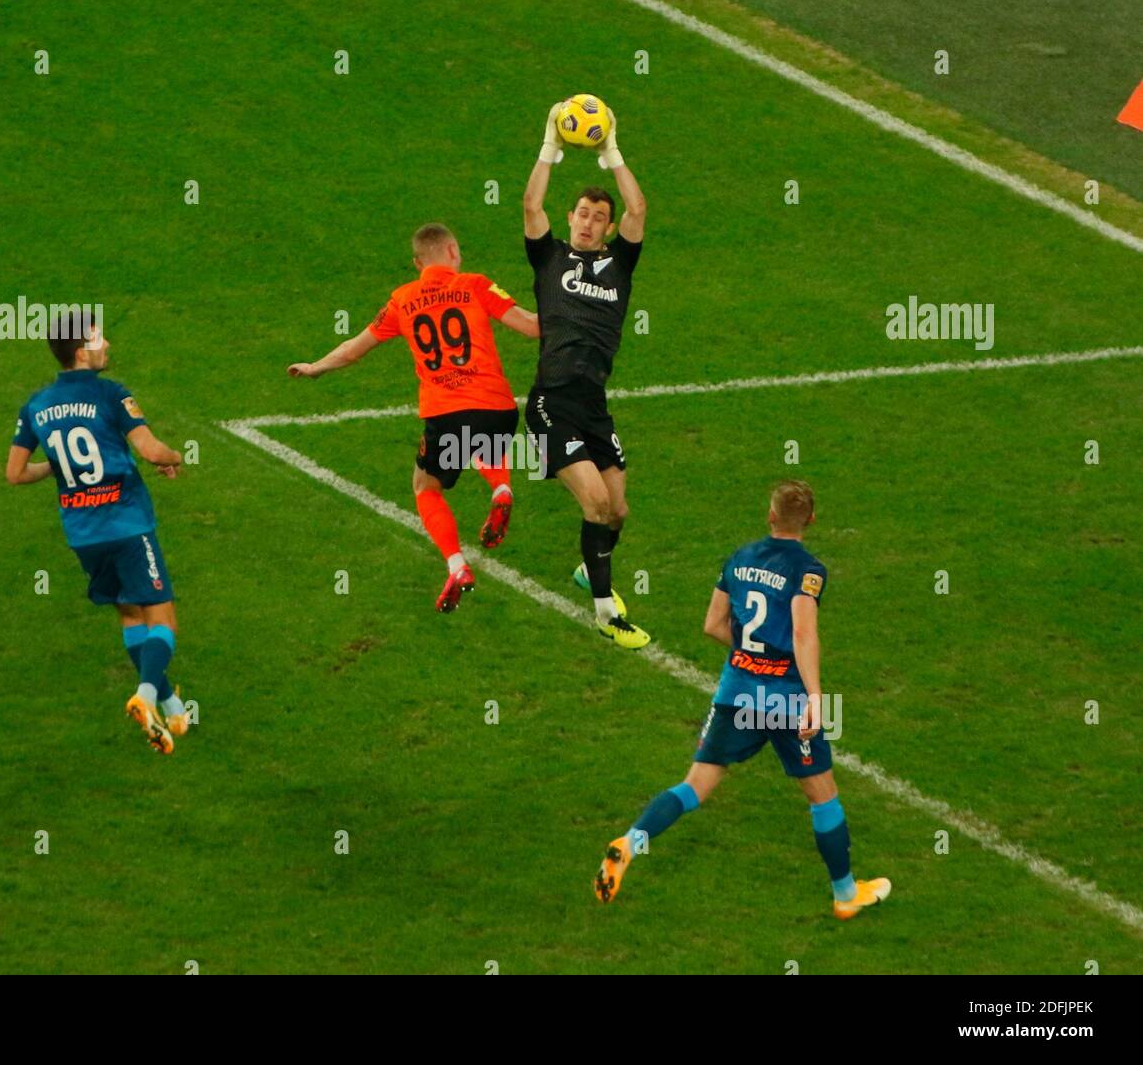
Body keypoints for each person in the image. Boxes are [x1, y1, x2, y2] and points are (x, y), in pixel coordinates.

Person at [594, 481, 892, 919]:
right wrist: (814, 696)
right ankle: (846, 894)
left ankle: (631, 842)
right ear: (810, 520)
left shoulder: (739, 558)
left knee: (695, 785)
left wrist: (750, 655)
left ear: (770, 516)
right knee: (823, 796)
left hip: (736, 689)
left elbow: (713, 624)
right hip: (786, 698)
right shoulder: (808, 570)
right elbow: (804, 633)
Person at [288, 223, 539, 611]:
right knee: (481, 442)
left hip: (446, 412)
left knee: (425, 486)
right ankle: (501, 489)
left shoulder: (403, 299)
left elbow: (356, 348)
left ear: (417, 262)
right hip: (497, 407)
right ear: (453, 250)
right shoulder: (475, 284)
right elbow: (531, 327)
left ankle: (456, 566)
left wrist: (316, 367)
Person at [7, 314, 187, 753]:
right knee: (161, 616)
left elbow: (15, 473)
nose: (107, 343)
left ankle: (170, 705)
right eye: (98, 338)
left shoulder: (35, 405)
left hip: (83, 533)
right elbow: (148, 449)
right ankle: (145, 696)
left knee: (129, 614)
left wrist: (60, 465)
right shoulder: (110, 393)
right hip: (127, 525)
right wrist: (175, 455)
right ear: (81, 351)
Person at [523, 100, 649, 649]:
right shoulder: (548, 259)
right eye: (582, 213)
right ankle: (603, 612)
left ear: (606, 227)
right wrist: (550, 145)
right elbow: (530, 203)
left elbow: (639, 208)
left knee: (617, 511)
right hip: (552, 400)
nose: (589, 221)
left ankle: (587, 569)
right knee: (595, 504)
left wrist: (610, 152)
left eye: (599, 216)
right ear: (570, 217)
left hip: (594, 403)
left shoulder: (619, 264)